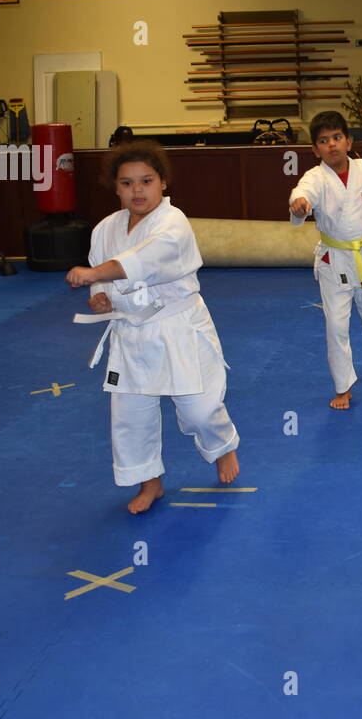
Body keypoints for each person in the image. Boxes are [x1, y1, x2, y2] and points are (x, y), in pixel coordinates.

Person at [66, 140, 240, 515]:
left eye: (146, 181)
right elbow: (103, 271)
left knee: (199, 409)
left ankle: (222, 445)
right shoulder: (105, 229)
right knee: (131, 415)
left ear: (163, 183)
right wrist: (99, 293)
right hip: (130, 332)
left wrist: (95, 274)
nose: (137, 190)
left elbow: (141, 261)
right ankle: (150, 482)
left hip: (177, 325)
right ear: (115, 187)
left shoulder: (173, 224)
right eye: (127, 183)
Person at [289, 110, 362, 410]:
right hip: (334, 261)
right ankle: (343, 386)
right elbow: (303, 194)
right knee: (336, 326)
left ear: (349, 141)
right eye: (324, 141)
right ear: (316, 149)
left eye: (337, 137)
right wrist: (299, 205)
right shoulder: (314, 178)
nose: (332, 145)